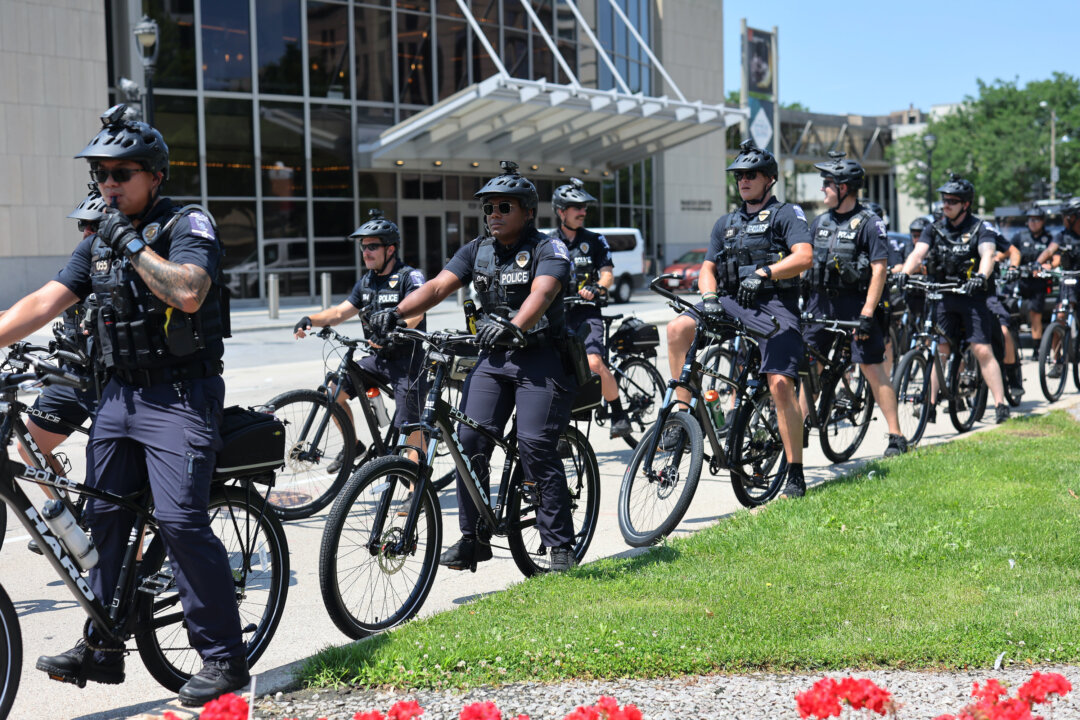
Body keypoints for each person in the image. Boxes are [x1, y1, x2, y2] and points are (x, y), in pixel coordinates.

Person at [0, 104, 248, 706]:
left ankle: (224, 660)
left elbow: (188, 292)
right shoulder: (100, 240)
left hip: (179, 397)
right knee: (106, 520)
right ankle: (104, 646)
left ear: (154, 175)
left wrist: (132, 241)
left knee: (182, 522)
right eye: (101, 175)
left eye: (121, 173)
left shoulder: (187, 223)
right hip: (117, 397)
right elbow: (43, 301)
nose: (108, 183)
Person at [370, 161, 579, 571]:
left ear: (527, 212)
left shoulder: (547, 249)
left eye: (504, 207)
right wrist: (395, 313)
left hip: (541, 359)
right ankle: (473, 539)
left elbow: (543, 293)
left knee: (536, 444)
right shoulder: (476, 250)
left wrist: (513, 325)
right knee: (468, 443)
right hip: (494, 358)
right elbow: (435, 287)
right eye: (489, 208)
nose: (494, 215)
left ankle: (560, 545)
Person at [666, 140, 813, 497]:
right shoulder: (726, 222)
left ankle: (794, 471)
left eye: (751, 175)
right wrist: (710, 297)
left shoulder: (786, 214)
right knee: (677, 328)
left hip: (775, 305)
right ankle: (681, 414)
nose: (743, 181)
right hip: (731, 302)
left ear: (770, 179)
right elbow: (707, 268)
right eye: (739, 176)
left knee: (780, 385)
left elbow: (805, 256)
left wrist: (765, 273)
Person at [293, 210, 427, 470]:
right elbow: (340, 312)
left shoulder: (410, 277)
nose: (366, 252)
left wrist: (392, 332)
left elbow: (417, 314)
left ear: (390, 249)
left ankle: (415, 491)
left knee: (410, 427)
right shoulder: (367, 282)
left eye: (372, 247)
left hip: (408, 361)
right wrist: (310, 319)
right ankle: (353, 445)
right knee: (332, 390)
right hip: (378, 359)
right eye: (363, 247)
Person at [17, 190, 109, 556]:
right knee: (30, 446)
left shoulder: (129, 266)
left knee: (111, 474)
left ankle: (132, 565)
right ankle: (69, 513)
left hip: (115, 382)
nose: (85, 232)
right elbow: (39, 303)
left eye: (92, 225)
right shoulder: (82, 260)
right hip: (73, 374)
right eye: (82, 225)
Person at [801, 152, 907, 457]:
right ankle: (796, 431)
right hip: (820, 304)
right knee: (809, 368)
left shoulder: (870, 224)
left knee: (872, 367)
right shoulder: (820, 221)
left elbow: (879, 270)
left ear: (844, 187)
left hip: (856, 305)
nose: (822, 188)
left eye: (827, 183)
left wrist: (867, 313)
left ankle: (896, 436)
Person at [894, 173, 1010, 423]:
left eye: (951, 201)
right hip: (943, 296)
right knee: (940, 349)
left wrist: (981, 276)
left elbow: (988, 254)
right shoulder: (934, 227)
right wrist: (905, 271)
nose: (945, 205)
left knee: (981, 348)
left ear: (965, 204)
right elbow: (918, 253)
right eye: (944, 200)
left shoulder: (981, 227)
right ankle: (931, 404)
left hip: (972, 296)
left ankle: (1000, 404)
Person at [548, 178, 630, 439]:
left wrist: (598, 287)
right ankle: (561, 432)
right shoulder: (546, 243)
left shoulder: (595, 240)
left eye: (584, 208)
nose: (583, 212)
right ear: (561, 211)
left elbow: (607, 274)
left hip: (586, 314)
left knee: (594, 363)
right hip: (558, 317)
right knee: (553, 371)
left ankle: (619, 413)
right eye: (576, 208)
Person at [1035, 197, 1080, 378]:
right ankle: (1058, 361)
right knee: (1060, 317)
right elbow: (1049, 251)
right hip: (1068, 282)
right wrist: (1038, 264)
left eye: (1067, 216)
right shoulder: (1062, 235)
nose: (1064, 219)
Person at [1013, 207, 1054, 360]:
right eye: (1030, 219)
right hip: (1020, 281)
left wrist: (1047, 266)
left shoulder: (1048, 238)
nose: (1033, 222)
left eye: (1036, 219)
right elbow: (1011, 252)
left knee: (1035, 314)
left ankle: (1038, 349)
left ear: (1042, 221)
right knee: (1012, 311)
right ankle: (1012, 346)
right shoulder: (1020, 236)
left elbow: (1054, 256)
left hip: (1038, 283)